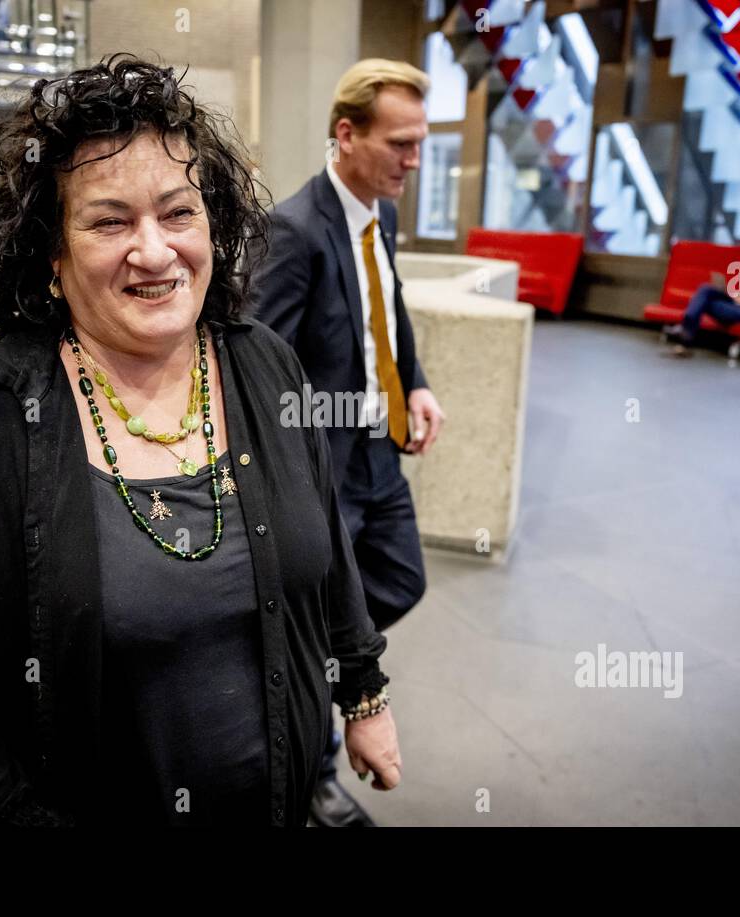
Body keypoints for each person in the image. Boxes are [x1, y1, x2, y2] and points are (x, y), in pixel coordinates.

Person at [0, 55, 402, 827]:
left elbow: (325, 544)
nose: (155, 251)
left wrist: (361, 691)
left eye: (178, 213)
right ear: (51, 254)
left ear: (214, 222)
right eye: (109, 221)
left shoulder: (264, 361)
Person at [251, 59, 445, 827]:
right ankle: (316, 768)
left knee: (400, 580)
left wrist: (418, 381)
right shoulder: (293, 231)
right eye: (400, 143)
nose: (414, 160)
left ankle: (308, 674)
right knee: (322, 611)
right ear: (345, 134)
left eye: (420, 143)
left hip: (379, 449)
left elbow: (388, 307)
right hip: (322, 468)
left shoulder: (381, 217)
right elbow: (263, 368)